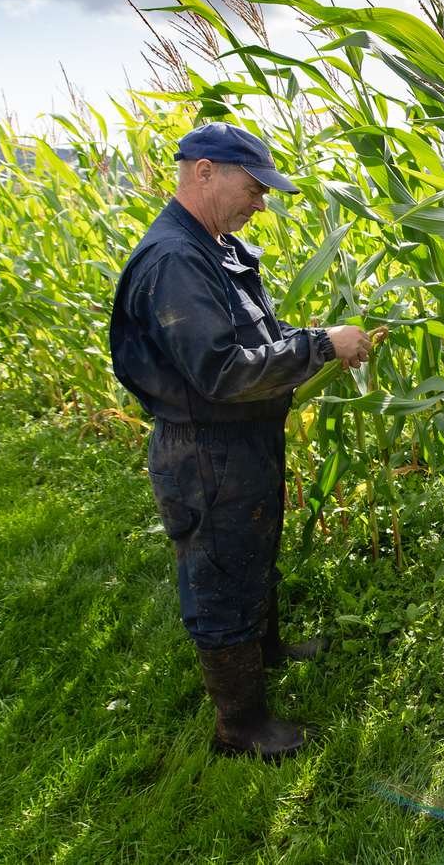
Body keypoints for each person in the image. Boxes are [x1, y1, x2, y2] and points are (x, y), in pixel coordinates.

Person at [109, 121, 369, 760]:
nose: (261, 203)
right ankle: (241, 726)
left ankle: (267, 653)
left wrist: (311, 340)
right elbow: (221, 370)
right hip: (206, 450)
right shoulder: (174, 260)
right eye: (254, 188)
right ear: (203, 172)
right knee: (221, 571)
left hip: (239, 442)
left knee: (252, 547)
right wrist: (321, 347)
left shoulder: (212, 247)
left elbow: (254, 338)